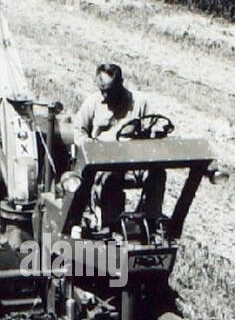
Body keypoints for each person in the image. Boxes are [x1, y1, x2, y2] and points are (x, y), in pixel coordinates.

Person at [71, 63, 167, 232]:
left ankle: (149, 222)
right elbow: (79, 130)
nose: (105, 95)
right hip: (104, 162)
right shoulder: (93, 103)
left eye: (109, 90)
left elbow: (156, 122)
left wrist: (157, 129)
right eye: (102, 90)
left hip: (135, 161)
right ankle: (112, 227)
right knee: (110, 180)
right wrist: (88, 145)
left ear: (121, 83)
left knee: (157, 174)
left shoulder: (138, 102)